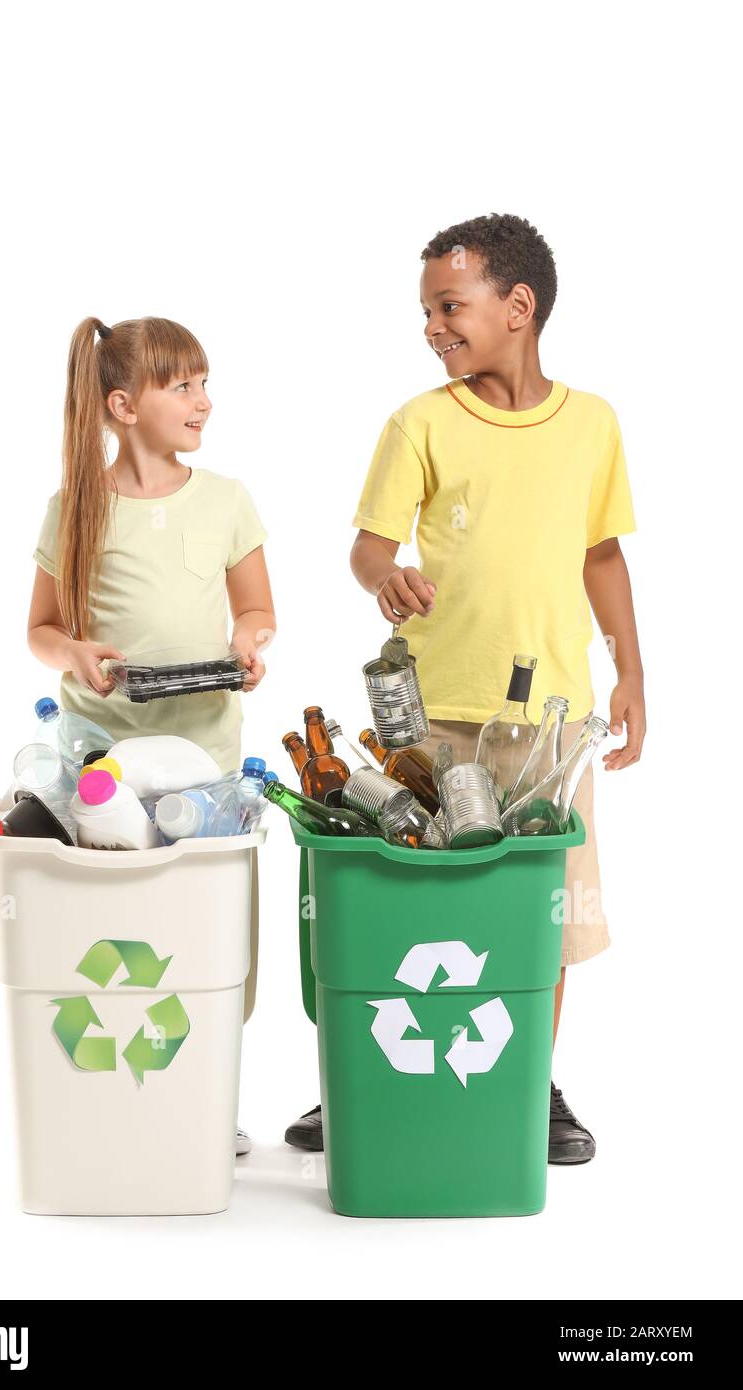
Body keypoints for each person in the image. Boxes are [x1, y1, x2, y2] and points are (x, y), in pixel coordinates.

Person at [286, 214, 644, 1164]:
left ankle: (529, 1080)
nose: (432, 327)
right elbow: (369, 546)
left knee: (543, 912)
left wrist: (632, 672)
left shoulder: (592, 423)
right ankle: (370, 1070)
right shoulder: (422, 422)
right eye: (426, 311)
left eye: (449, 306)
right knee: (408, 899)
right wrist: (385, 578)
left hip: (551, 722)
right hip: (433, 714)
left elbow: (602, 556)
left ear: (517, 306)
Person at [28, 316, 275, 1155]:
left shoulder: (227, 499)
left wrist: (249, 643)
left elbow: (256, 608)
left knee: (208, 939)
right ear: (124, 407)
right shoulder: (75, 507)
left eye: (205, 383)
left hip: (206, 760)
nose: (204, 401)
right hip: (102, 763)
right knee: (117, 933)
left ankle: (201, 1103)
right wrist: (74, 653)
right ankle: (117, 1105)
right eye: (183, 386)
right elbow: (41, 629)